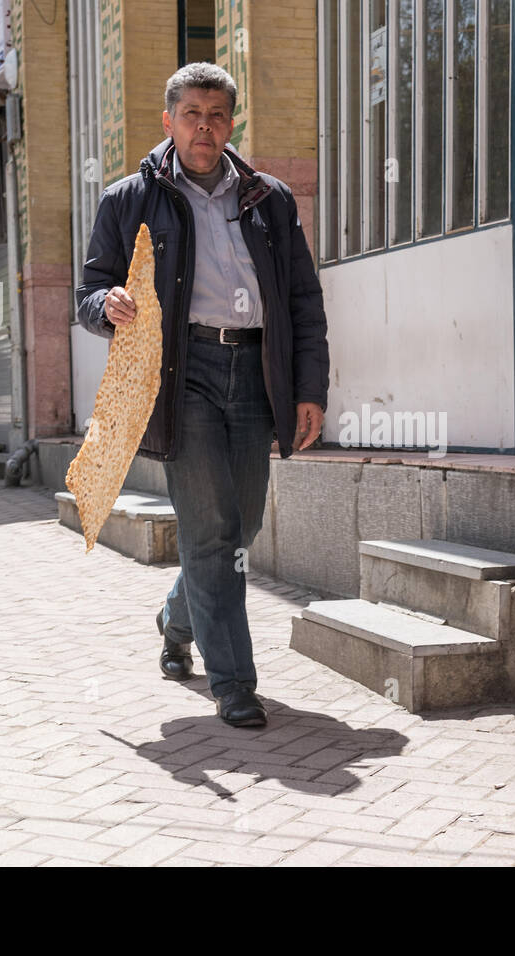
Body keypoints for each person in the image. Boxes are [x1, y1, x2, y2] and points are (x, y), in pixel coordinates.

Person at [76, 62, 329, 729]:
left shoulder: (268, 200)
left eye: (217, 115)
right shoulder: (129, 200)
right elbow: (87, 293)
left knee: (240, 526)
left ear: (231, 122)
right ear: (168, 121)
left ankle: (175, 616)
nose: (204, 127)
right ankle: (234, 684)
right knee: (209, 531)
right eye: (191, 114)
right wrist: (110, 302)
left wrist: (309, 389)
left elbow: (302, 300)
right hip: (180, 373)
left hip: (253, 373)